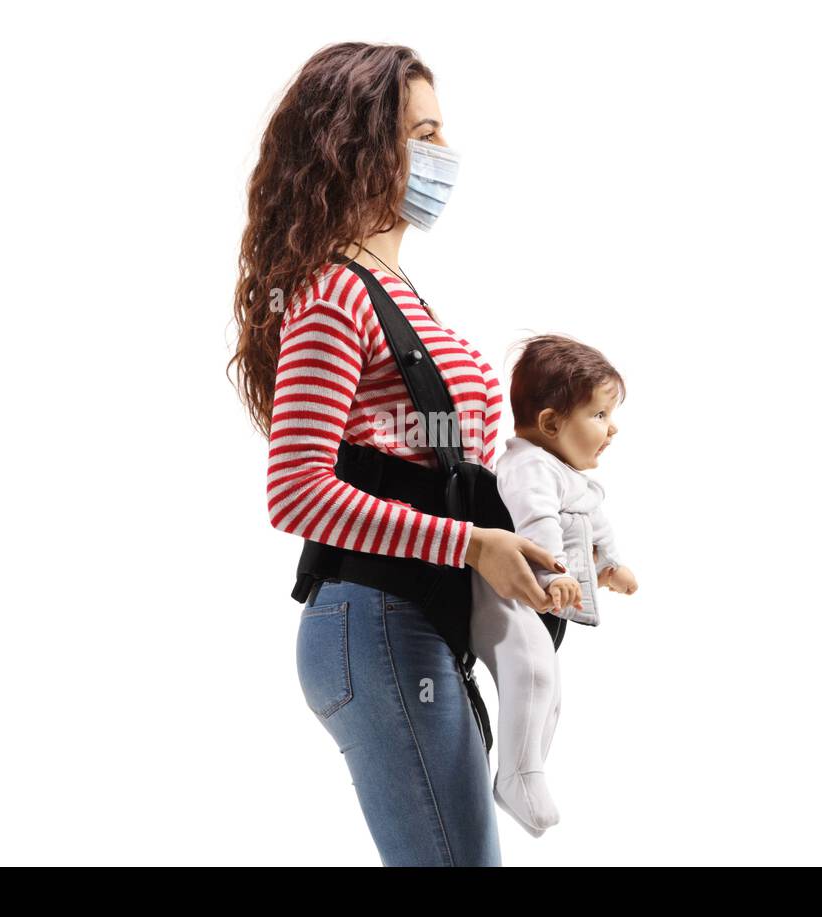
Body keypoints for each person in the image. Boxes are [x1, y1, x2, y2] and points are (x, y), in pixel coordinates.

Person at [227, 42, 563, 866]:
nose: (443, 155)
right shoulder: (334, 294)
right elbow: (297, 491)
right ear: (358, 145)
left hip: (413, 619)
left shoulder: (394, 293)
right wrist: (472, 544)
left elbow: (444, 464)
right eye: (424, 132)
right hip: (378, 618)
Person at [471, 334, 639, 837]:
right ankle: (519, 773)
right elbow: (537, 521)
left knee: (550, 690)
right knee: (533, 673)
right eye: (599, 416)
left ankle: (525, 772)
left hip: (534, 601)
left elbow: (593, 523)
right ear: (549, 423)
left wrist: (609, 564)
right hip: (503, 597)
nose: (612, 429)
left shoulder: (567, 473)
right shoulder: (528, 467)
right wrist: (553, 572)